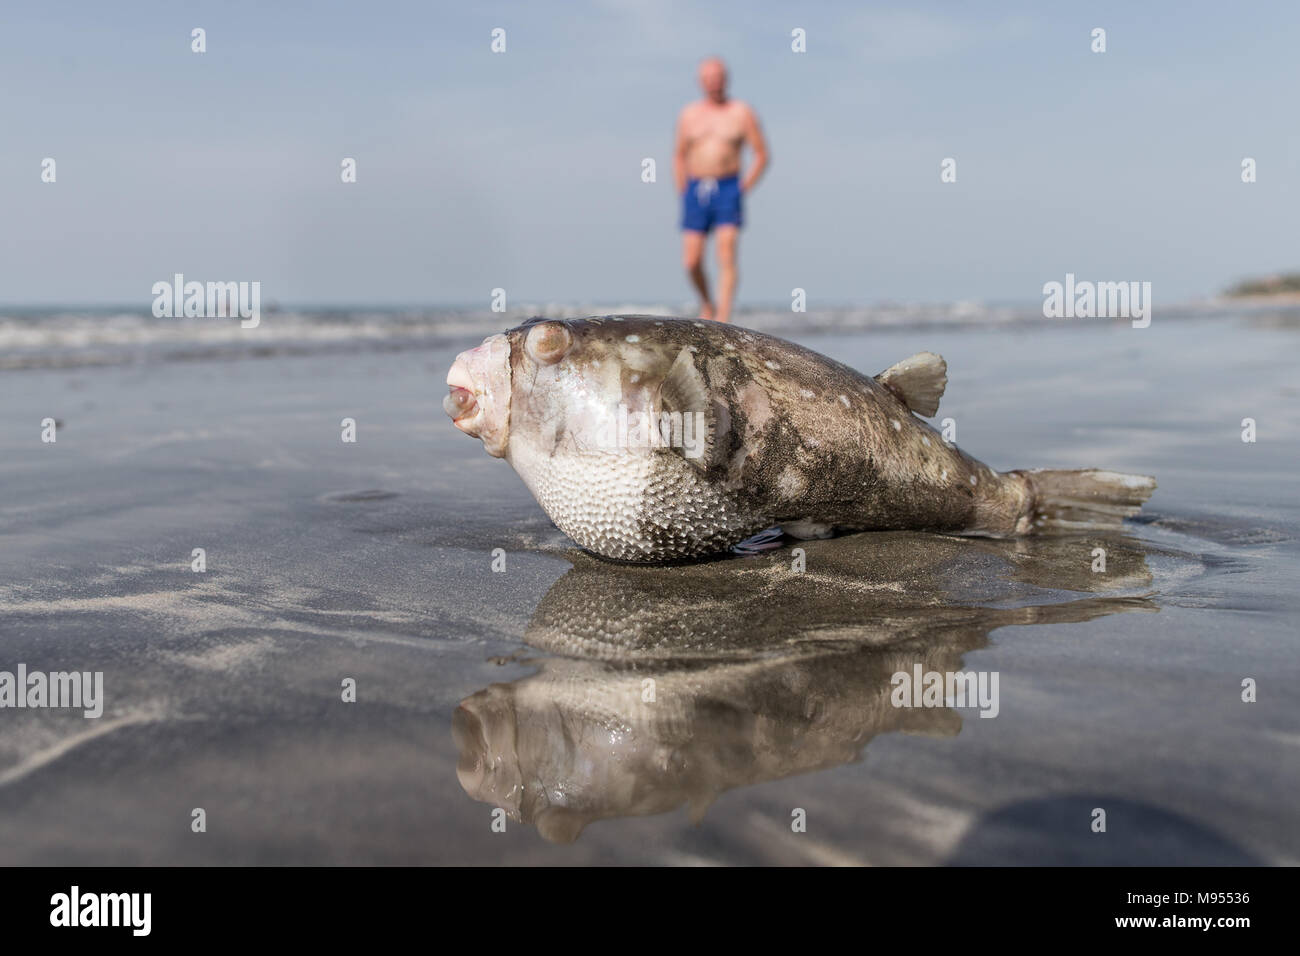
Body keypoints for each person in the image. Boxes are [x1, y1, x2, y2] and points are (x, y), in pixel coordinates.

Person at [673, 57, 769, 323]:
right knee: (691, 260)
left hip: (728, 187)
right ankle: (707, 303)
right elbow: (679, 155)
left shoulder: (741, 112)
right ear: (701, 82)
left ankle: (723, 318)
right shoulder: (689, 114)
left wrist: (742, 188)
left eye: (718, 77)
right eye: (708, 78)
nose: (714, 82)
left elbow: (761, 154)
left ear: (726, 79)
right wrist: (683, 189)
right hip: (695, 188)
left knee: (726, 253)